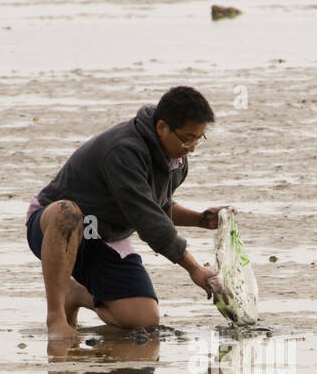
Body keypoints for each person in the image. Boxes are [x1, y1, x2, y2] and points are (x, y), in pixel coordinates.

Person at [25, 86, 228, 340]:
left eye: (199, 139)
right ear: (162, 127)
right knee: (67, 211)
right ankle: (56, 318)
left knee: (143, 319)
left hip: (105, 237)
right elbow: (147, 219)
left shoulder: (176, 160)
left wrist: (199, 219)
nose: (192, 148)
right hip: (53, 229)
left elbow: (157, 207)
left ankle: (74, 293)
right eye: (188, 138)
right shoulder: (124, 151)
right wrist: (194, 269)